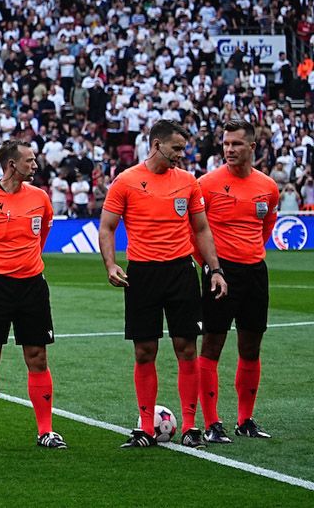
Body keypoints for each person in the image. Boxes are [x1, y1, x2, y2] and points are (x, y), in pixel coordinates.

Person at [100, 119, 231, 448]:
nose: (181, 155)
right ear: (156, 145)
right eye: (176, 148)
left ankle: (190, 426)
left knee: (187, 349)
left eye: (183, 149)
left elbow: (201, 229)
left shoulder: (188, 181)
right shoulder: (126, 181)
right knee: (145, 351)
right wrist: (111, 264)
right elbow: (107, 228)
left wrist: (215, 269)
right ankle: (145, 428)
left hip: (181, 273)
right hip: (142, 274)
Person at [0, 140, 63, 451]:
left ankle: (45, 431)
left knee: (38, 357)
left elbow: (42, 236)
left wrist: (23, 264)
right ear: (11, 165)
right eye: (29, 161)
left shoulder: (41, 198)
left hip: (32, 286)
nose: (34, 166)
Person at [195, 118, 279, 442]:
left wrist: (252, 252)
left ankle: (245, 420)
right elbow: (195, 231)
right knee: (212, 343)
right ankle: (213, 422)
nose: (229, 149)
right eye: (226, 144)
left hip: (255, 271)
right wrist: (208, 265)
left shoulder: (267, 187)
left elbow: (266, 227)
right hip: (220, 271)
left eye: (236, 144)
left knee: (251, 346)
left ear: (252, 147)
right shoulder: (207, 184)